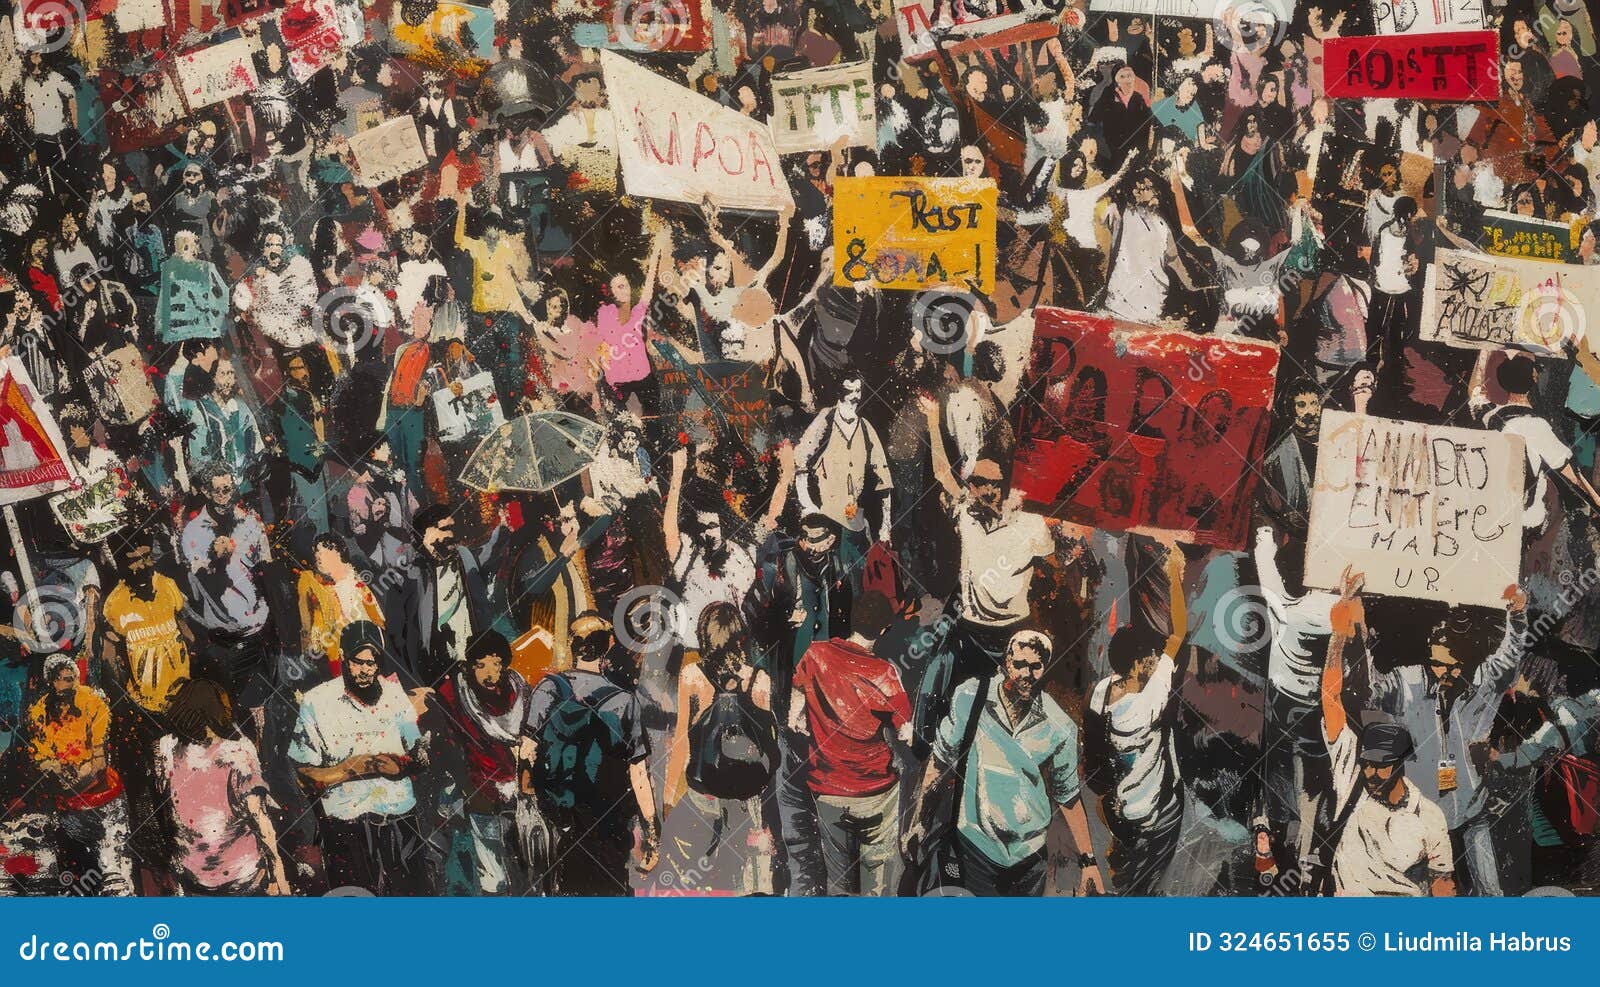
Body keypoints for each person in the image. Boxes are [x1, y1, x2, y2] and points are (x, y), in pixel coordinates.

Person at [903, 630, 1103, 897]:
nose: (1025, 674)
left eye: (1035, 666)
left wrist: (1089, 862)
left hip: (1030, 858)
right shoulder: (970, 697)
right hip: (975, 849)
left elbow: (1068, 797)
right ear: (1006, 662)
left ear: (1045, 668)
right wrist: (919, 820)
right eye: (1019, 664)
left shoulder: (1060, 726)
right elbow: (939, 764)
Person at [1318, 571, 1455, 897]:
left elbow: (1442, 882)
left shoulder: (1429, 817)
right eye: (1368, 762)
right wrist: (1337, 637)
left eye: (1381, 765)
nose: (1371, 772)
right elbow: (1330, 698)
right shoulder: (1351, 775)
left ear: (1400, 765)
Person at [520, 614, 659, 895]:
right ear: (607, 646)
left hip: (561, 819)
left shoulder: (548, 689)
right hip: (609, 822)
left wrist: (536, 800)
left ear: (572, 645)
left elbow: (526, 752)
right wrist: (651, 832)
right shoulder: (623, 701)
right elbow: (638, 774)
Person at [289, 622, 428, 895]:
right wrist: (356, 767)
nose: (366, 670)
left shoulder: (394, 695)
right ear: (343, 656)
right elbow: (304, 774)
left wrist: (403, 766)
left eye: (373, 662)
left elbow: (420, 754)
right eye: (358, 662)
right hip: (345, 823)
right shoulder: (316, 701)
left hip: (398, 818)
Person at [789, 587, 911, 896]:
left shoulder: (815, 655)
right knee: (879, 882)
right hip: (875, 791)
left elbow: (794, 715)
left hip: (827, 788)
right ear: (884, 629)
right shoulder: (885, 673)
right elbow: (906, 731)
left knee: (838, 880)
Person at [154, 679, 290, 895]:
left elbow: (166, 808)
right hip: (241, 874)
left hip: (190, 874)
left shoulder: (165, 748)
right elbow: (260, 818)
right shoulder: (237, 753)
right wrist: (279, 875)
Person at [433, 632, 535, 896]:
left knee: (525, 864)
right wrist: (468, 788)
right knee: (492, 873)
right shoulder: (453, 695)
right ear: (469, 667)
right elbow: (449, 749)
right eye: (481, 666)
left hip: (518, 791)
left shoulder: (519, 691)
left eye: (497, 665)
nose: (490, 674)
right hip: (480, 793)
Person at [26, 655, 134, 896]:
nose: (69, 685)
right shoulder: (39, 711)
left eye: (72, 679)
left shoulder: (92, 701)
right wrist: (54, 767)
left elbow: (99, 752)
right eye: (63, 680)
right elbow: (38, 753)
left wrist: (88, 768)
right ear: (51, 682)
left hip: (100, 793)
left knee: (114, 869)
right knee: (76, 871)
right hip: (66, 800)